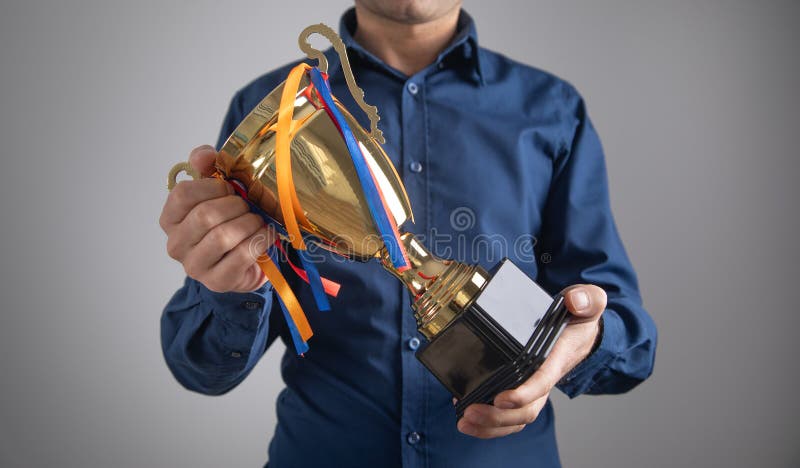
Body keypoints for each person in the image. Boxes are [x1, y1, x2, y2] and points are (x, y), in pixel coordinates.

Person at [158, 1, 657, 466]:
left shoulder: (552, 110)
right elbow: (200, 366)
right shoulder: (275, 114)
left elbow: (632, 348)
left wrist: (585, 337)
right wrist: (230, 286)